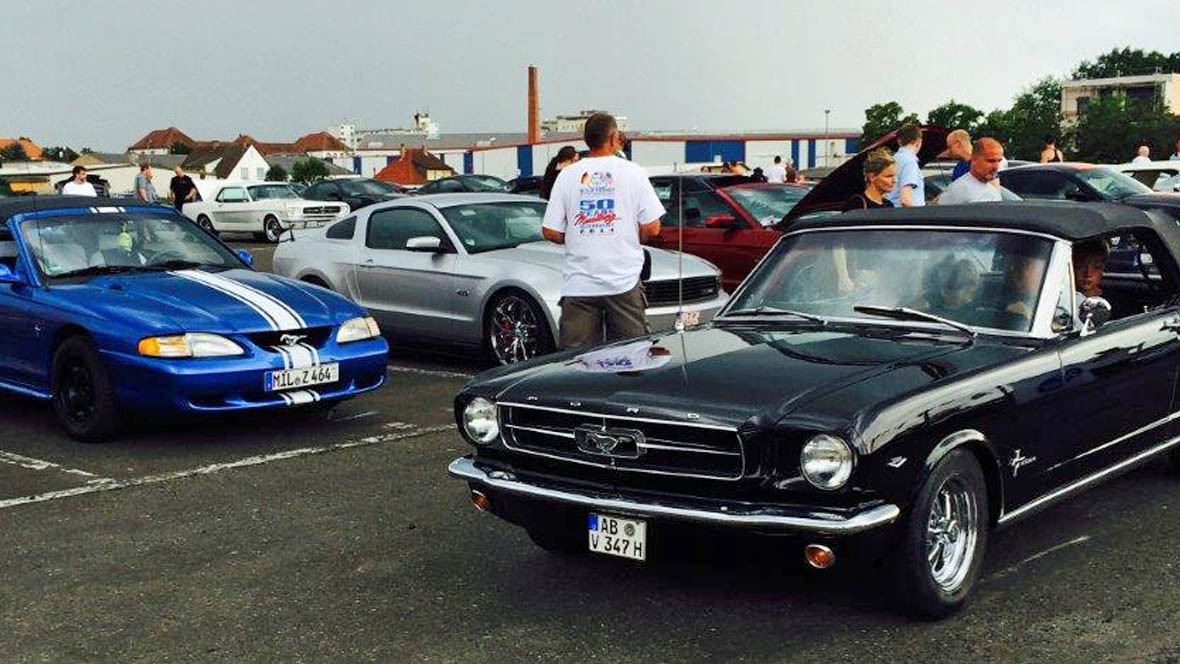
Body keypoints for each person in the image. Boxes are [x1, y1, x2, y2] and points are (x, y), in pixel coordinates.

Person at [541, 112, 665, 350]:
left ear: (587, 140)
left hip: (579, 284)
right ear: (613, 138)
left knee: (575, 361)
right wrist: (624, 234)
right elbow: (652, 227)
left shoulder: (567, 175)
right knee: (633, 355)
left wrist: (580, 234)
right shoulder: (633, 172)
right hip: (623, 281)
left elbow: (550, 231)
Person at [936, 138, 1005, 205]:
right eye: (990, 161)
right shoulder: (959, 189)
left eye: (999, 161)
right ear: (974, 160)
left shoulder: (993, 190)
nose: (996, 167)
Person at [885, 124, 924, 207]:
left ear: (899, 141)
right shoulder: (910, 162)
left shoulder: (892, 160)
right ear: (918, 141)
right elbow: (905, 199)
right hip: (909, 216)